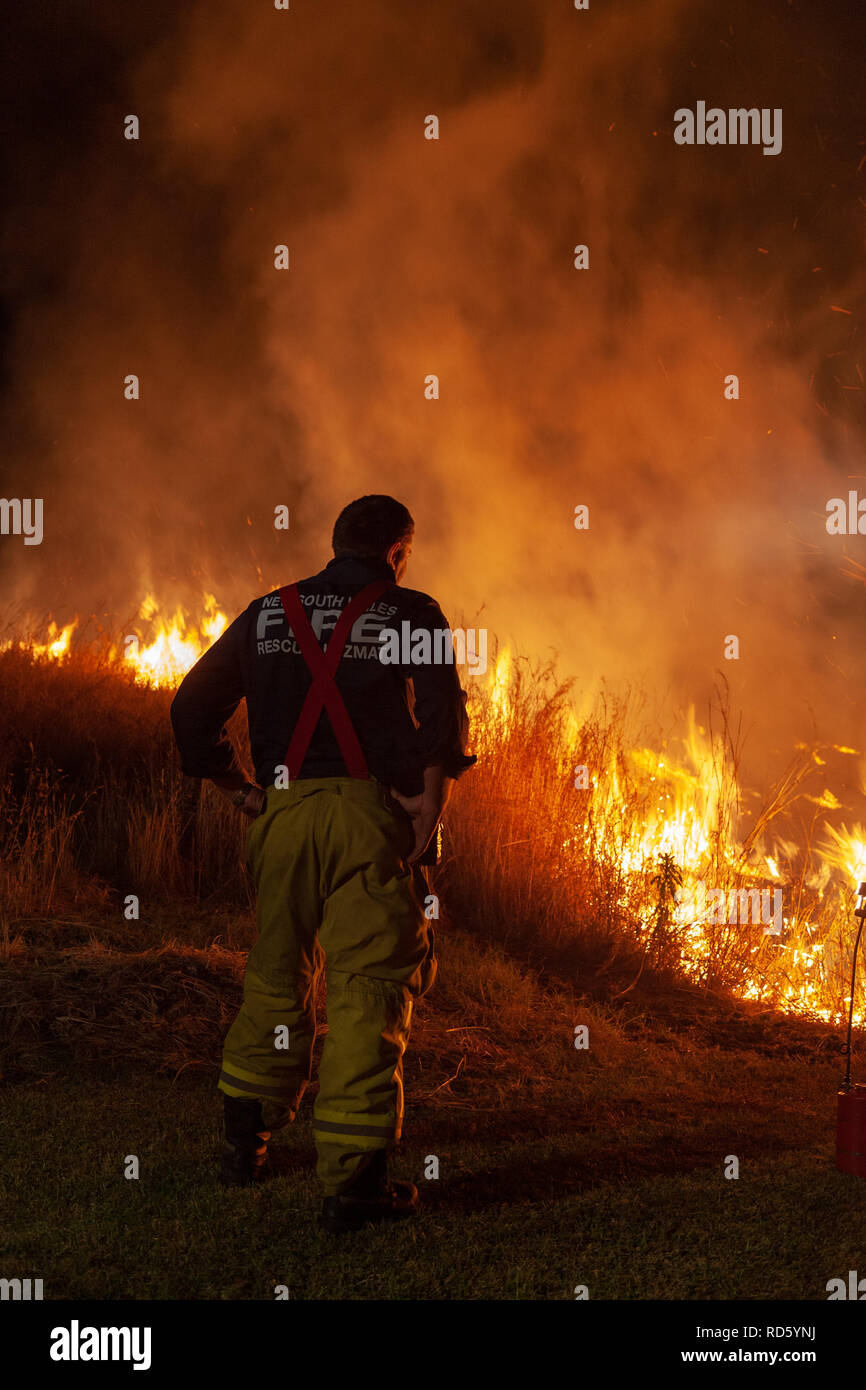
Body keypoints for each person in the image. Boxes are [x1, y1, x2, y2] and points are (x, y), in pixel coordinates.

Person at [170, 494, 475, 1232]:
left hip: (281, 819)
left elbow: (190, 710)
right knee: (368, 988)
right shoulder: (411, 610)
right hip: (371, 820)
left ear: (335, 544)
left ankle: (245, 1149)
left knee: (276, 973)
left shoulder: (268, 612)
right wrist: (430, 805)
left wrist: (235, 788)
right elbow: (442, 715)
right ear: (398, 551)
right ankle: (353, 1185)